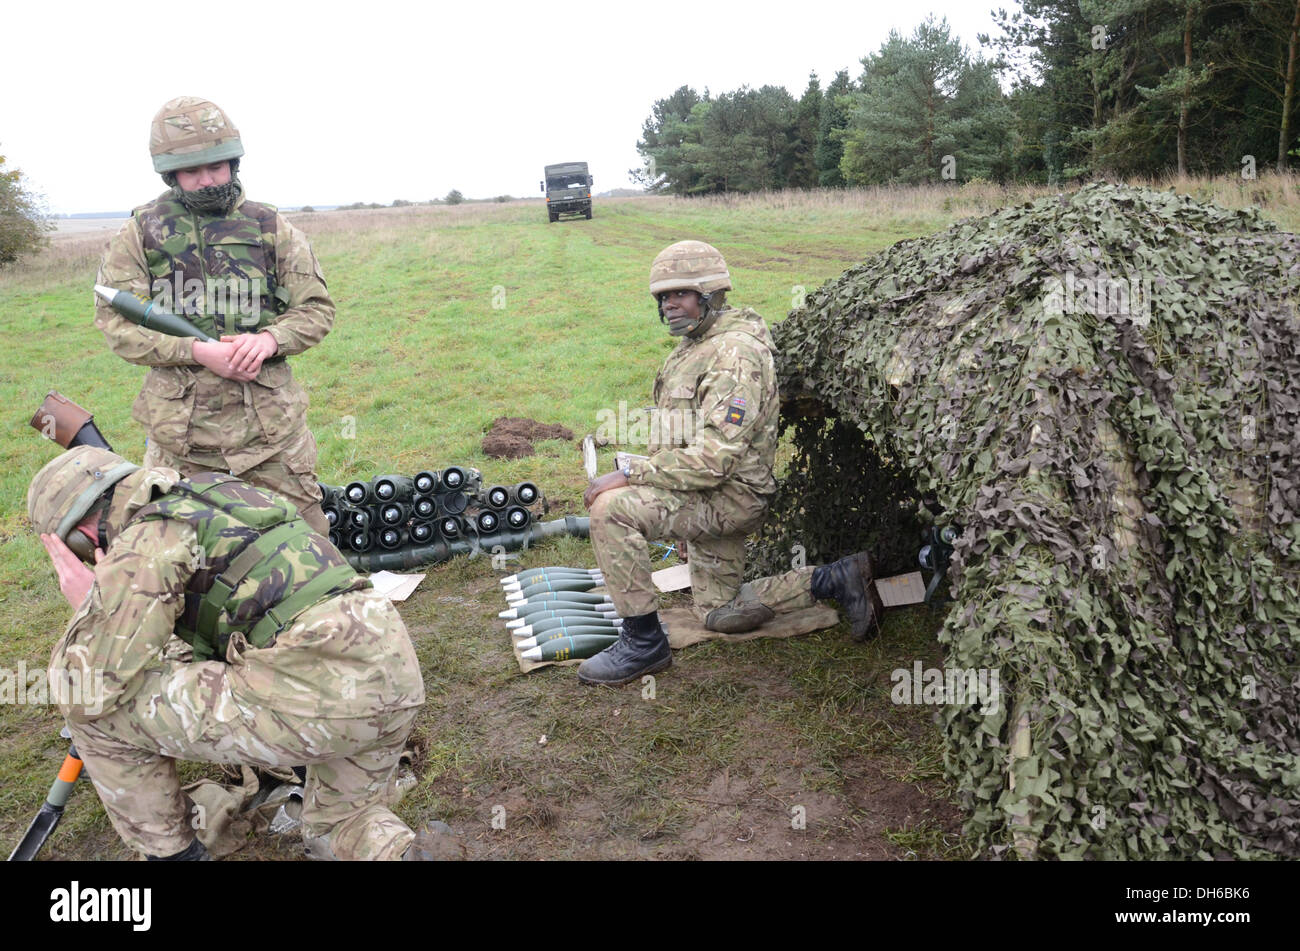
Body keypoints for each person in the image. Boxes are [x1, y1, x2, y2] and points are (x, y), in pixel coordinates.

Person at [27, 445, 455, 861]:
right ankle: (405, 853)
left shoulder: (146, 540)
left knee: (98, 718)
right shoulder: (225, 492)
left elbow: (86, 687)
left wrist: (92, 603)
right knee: (337, 827)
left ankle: (174, 856)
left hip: (314, 696)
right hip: (392, 677)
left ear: (83, 536)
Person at [579, 240, 885, 686]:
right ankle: (836, 579)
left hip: (728, 499)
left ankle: (643, 644)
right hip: (703, 495)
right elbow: (684, 437)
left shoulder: (734, 356)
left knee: (610, 510)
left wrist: (630, 474)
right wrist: (678, 514)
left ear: (709, 294)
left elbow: (714, 459)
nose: (669, 305)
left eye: (679, 294)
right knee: (719, 614)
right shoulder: (696, 345)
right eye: (662, 297)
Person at [95, 95, 333, 536]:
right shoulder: (140, 233)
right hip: (180, 442)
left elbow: (316, 309)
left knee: (310, 553)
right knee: (176, 561)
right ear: (171, 174)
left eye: (216, 167)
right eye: (192, 171)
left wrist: (268, 341)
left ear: (233, 163)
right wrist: (194, 351)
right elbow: (116, 326)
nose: (207, 180)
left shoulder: (271, 227)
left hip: (271, 436)